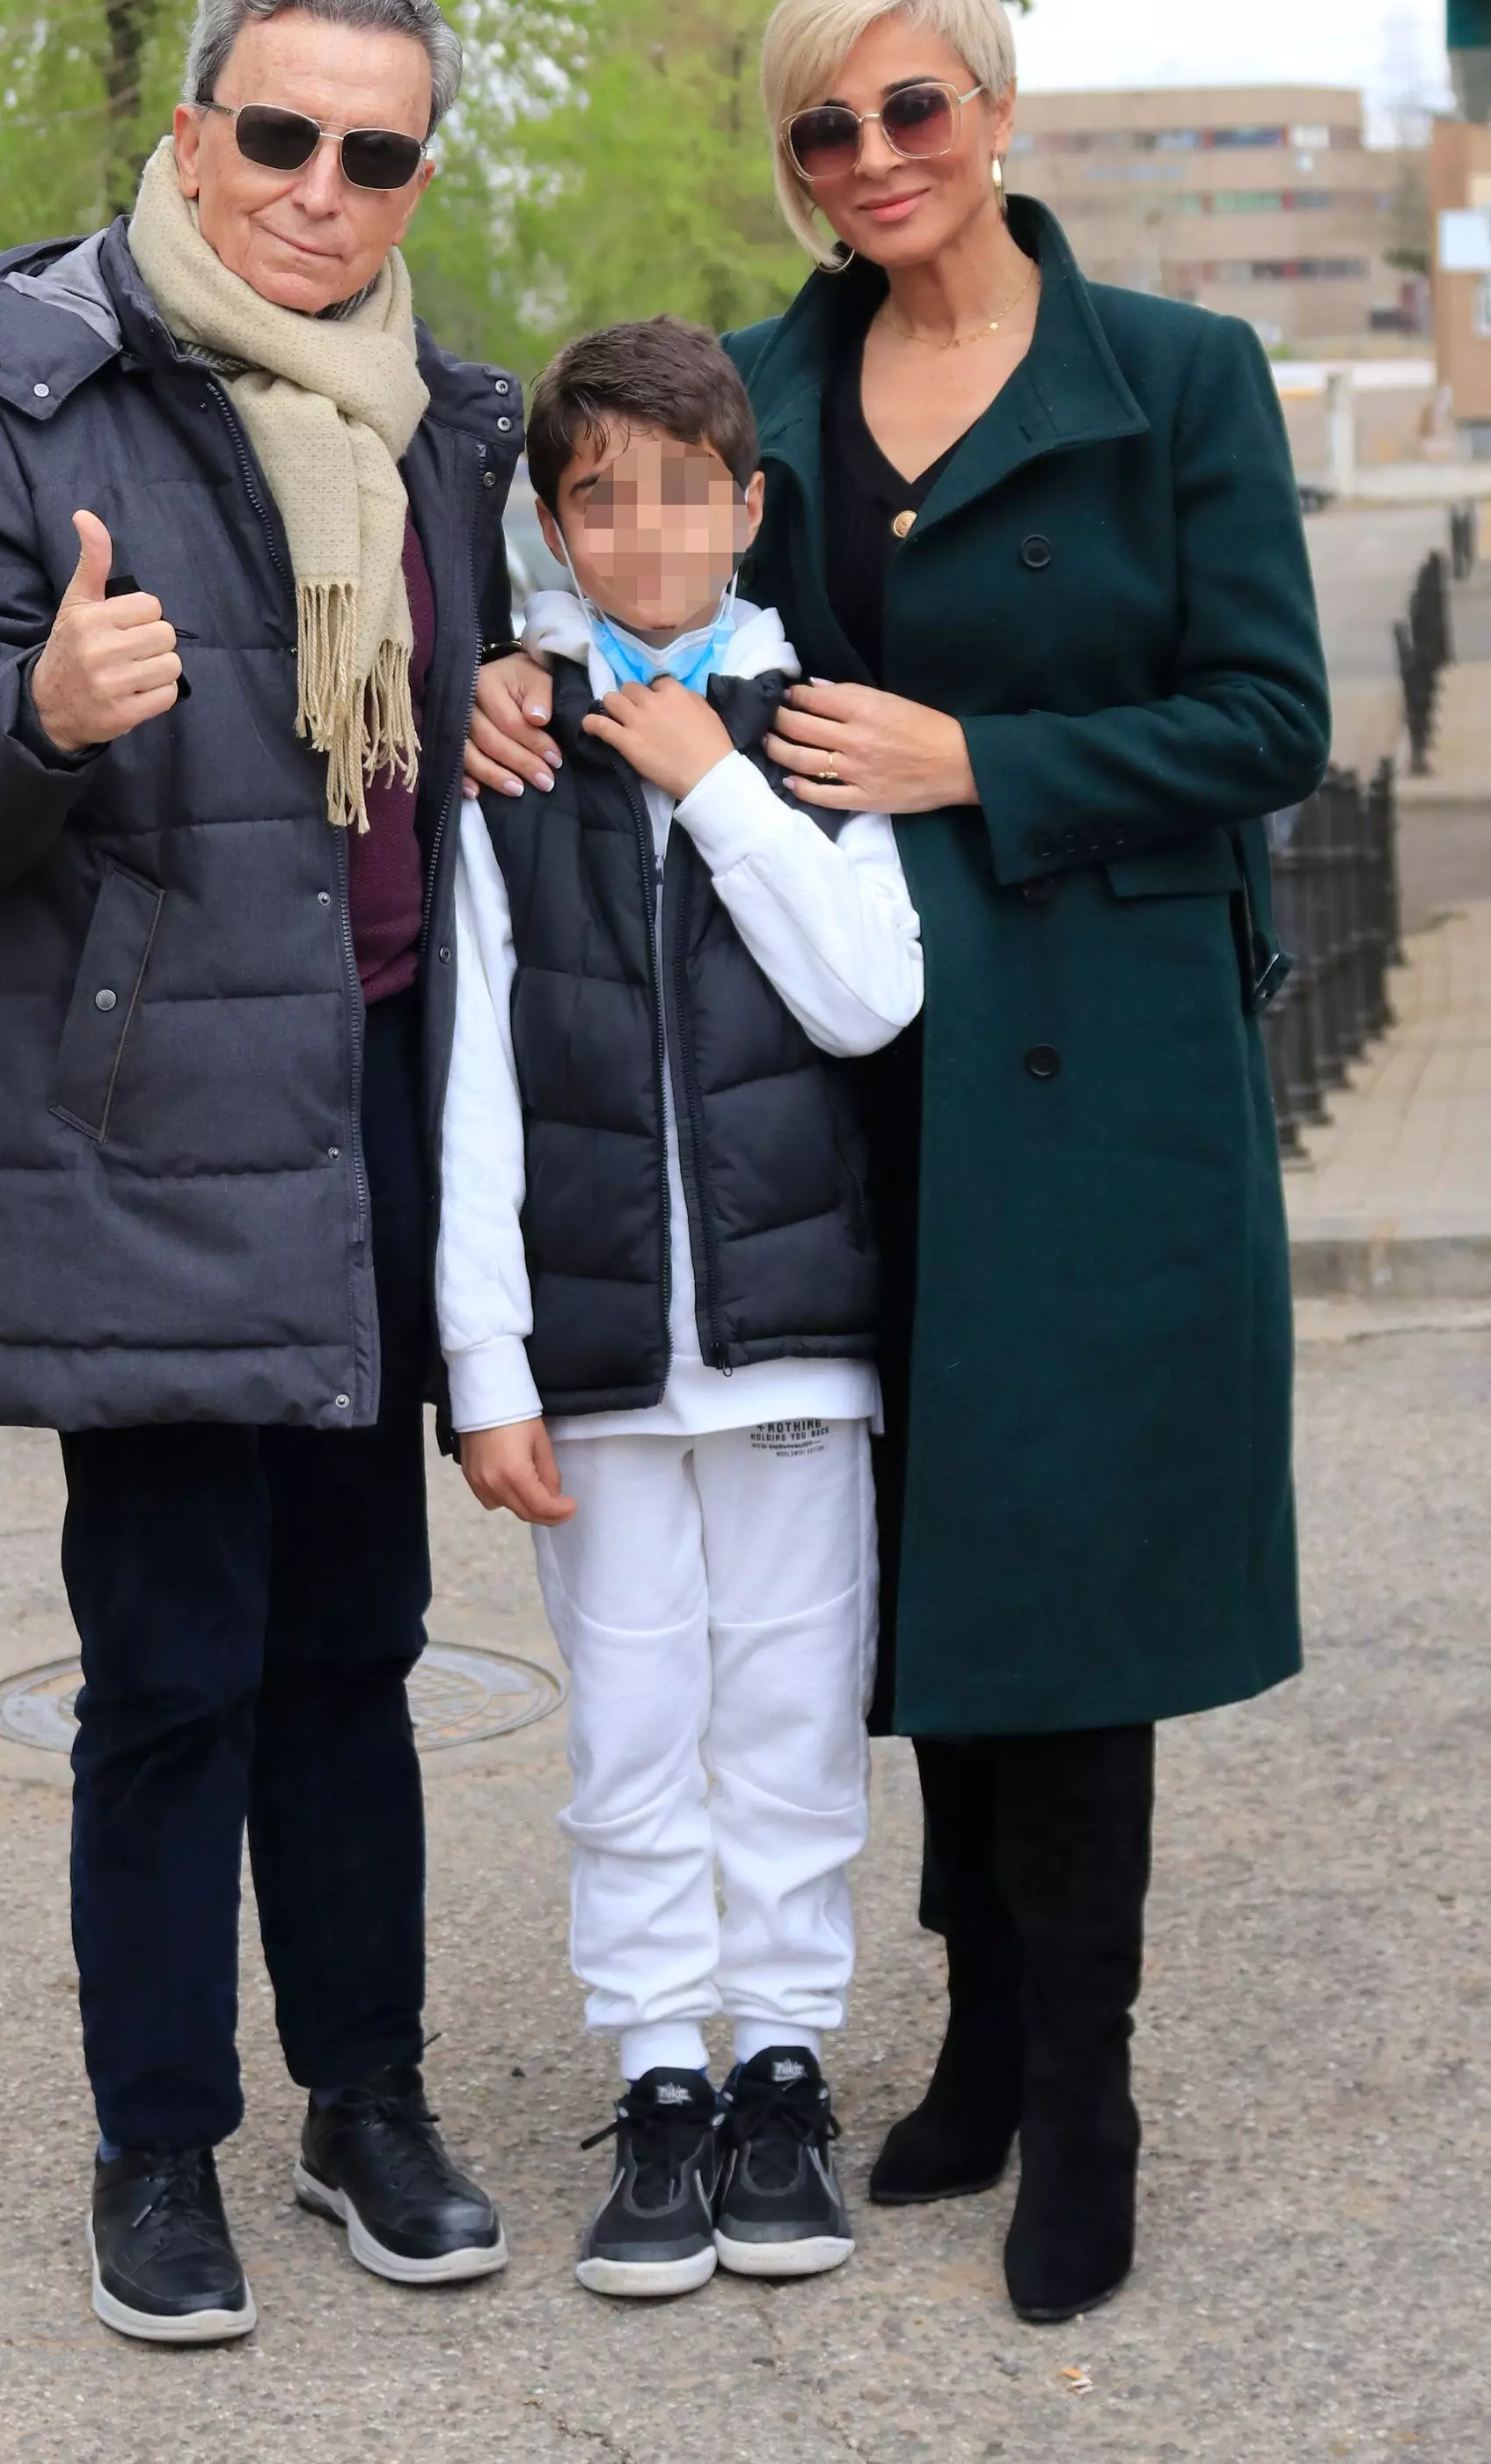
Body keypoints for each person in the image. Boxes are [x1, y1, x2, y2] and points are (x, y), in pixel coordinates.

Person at [467, 0, 1330, 2325]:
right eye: (821, 131)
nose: (871, 162)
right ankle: (965, 2039)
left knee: (1076, 1574)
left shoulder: (1179, 379)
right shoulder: (761, 391)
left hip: (1108, 1063)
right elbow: (625, 579)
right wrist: (505, 690)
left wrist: (988, 763)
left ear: (999, 102)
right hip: (854, 1070)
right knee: (923, 1567)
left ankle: (1092, 2079)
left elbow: (1270, 710)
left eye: (909, 107)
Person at [0, 0, 521, 2343]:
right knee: (172, 1669)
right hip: (148, 1140)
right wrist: (34, 708)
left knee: (361, 1646)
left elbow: (449, 735)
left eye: (377, 151)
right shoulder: (15, 410)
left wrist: (515, 691)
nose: (322, 190)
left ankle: (367, 2099)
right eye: (280, 135)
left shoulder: (448, 424)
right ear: (188, 132)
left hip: (369, 1107)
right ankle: (160, 2151)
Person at [442, 318, 923, 2298]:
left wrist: (718, 782)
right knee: (632, 1724)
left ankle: (782, 2065)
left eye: (683, 490)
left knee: (790, 1722)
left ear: (749, 502)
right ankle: (656, 2076)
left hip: (796, 1335)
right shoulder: (512, 742)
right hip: (603, 1353)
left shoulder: (811, 727)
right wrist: (489, 1360)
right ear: (554, 523)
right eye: (595, 496)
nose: (643, 532)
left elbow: (868, 996)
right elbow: (468, 1060)